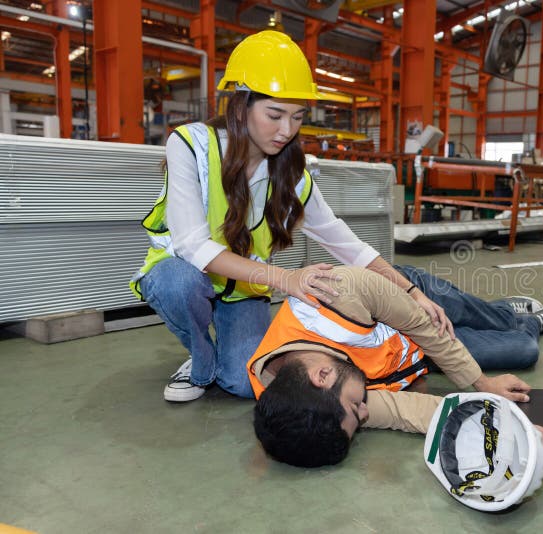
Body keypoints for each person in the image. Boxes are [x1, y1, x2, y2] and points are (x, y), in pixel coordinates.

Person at [128, 31, 449, 402]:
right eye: (274, 114)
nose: (287, 130)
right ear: (240, 105)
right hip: (184, 274)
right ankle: (200, 363)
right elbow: (193, 246)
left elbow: (342, 240)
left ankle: (220, 363)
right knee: (177, 283)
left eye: (297, 116)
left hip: (242, 291)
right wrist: (287, 279)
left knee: (245, 382)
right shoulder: (190, 145)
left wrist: (410, 292)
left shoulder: (291, 174)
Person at [247, 266, 543, 473]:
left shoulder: (336, 293)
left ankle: (507, 315)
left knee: (458, 310)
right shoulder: (310, 404)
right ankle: (526, 323)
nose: (365, 412)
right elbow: (415, 412)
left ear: (322, 376)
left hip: (410, 298)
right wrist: (519, 437)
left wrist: (482, 384)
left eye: (356, 407)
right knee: (523, 349)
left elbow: (422, 325)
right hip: (414, 357)